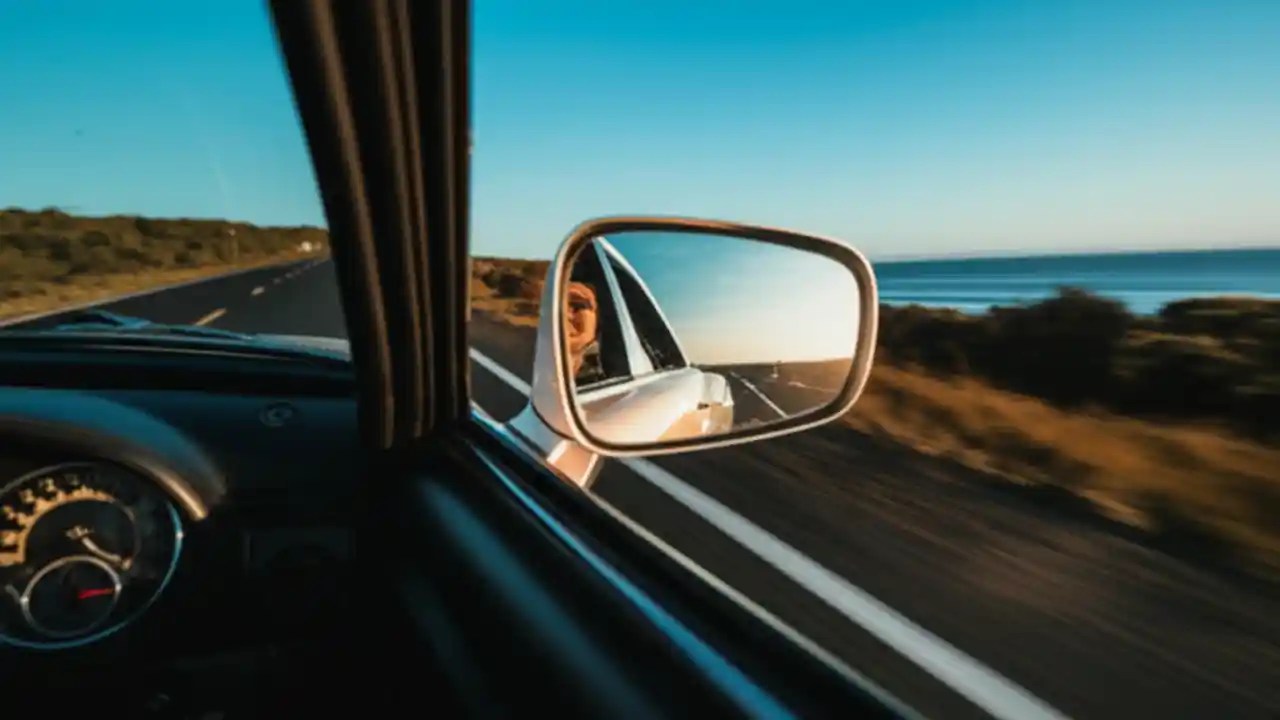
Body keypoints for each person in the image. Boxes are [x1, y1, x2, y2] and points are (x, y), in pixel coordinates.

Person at [564, 280, 605, 384]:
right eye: (554, 306)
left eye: (577, 306)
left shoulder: (600, 378)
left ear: (598, 320)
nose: (565, 315)